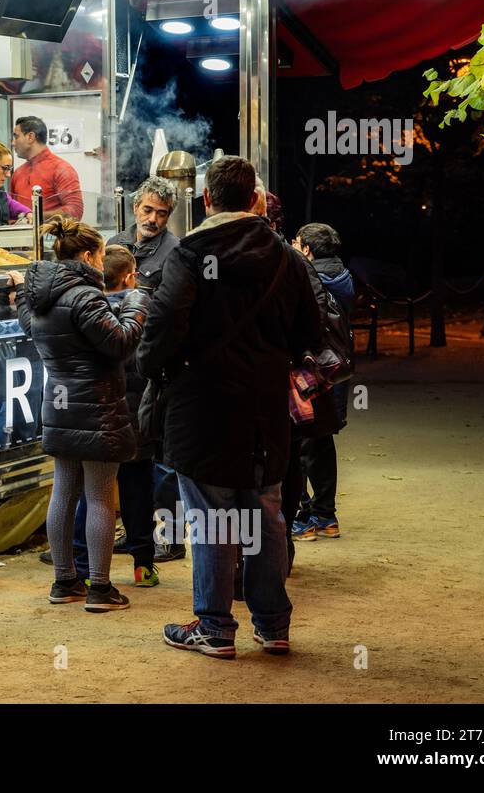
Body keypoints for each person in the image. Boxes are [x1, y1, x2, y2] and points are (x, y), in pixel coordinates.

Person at [137, 155, 321, 658]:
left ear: (206, 200)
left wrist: (153, 370)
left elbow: (162, 331)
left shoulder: (191, 253)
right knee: (266, 512)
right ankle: (273, 625)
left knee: (211, 518)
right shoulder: (287, 258)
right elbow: (310, 334)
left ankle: (215, 628)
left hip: (202, 409)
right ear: (255, 199)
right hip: (266, 410)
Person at [12, 217, 150, 612]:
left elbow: (28, 322)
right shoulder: (84, 296)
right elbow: (121, 343)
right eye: (102, 256)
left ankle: (64, 581)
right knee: (101, 496)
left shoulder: (42, 297)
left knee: (63, 490)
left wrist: (19, 294)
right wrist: (138, 302)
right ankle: (101, 589)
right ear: (89, 255)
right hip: (97, 407)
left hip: (58, 406)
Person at [61, 244, 159, 588]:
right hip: (135, 420)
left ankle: (84, 569)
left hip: (98, 418)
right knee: (139, 494)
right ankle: (143, 566)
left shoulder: (86, 312)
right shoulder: (142, 312)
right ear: (131, 277)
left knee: (93, 496)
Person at [108, 177, 187, 562]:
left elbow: (176, 313)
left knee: (162, 460)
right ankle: (138, 532)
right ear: (135, 207)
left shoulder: (176, 252)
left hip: (157, 370)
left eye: (161, 213)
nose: (153, 218)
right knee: (132, 461)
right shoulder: (115, 245)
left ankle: (169, 538)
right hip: (122, 371)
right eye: (148, 210)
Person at [290, 222, 354, 541]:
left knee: (300, 441)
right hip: (334, 372)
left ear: (307, 250)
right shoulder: (342, 277)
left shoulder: (309, 278)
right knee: (322, 440)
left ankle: (302, 519)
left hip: (309, 371)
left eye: (296, 242)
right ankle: (326, 516)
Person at [10, 116, 84, 221]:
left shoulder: (61, 169)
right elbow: (11, 211)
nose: (13, 143)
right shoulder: (18, 173)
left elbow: (74, 211)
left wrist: (33, 217)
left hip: (52, 236)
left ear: (30, 137)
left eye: (16, 137)